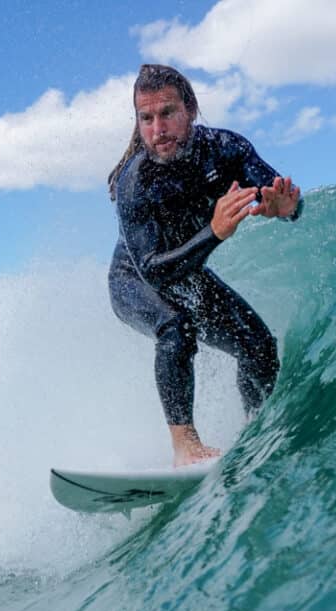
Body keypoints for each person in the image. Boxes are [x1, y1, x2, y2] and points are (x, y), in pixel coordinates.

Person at [108, 64, 301, 466]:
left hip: (187, 274)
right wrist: (214, 232)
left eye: (167, 113)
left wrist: (286, 208)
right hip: (135, 279)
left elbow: (279, 196)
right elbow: (154, 271)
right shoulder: (135, 181)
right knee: (176, 327)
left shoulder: (226, 150)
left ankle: (257, 429)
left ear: (190, 110)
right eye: (146, 118)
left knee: (258, 346)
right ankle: (185, 445)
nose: (158, 128)